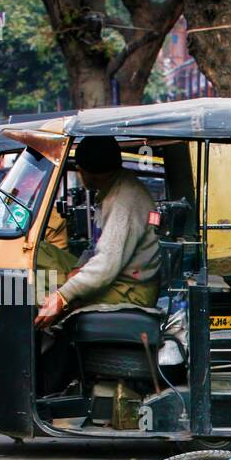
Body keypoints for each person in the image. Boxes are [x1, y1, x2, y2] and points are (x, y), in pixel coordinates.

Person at [33, 135, 161, 331]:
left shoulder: (124, 200)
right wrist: (79, 268)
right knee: (38, 251)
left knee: (30, 291)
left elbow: (106, 265)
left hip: (128, 290)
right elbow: (96, 247)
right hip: (112, 276)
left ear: (85, 172)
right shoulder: (111, 190)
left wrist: (63, 295)